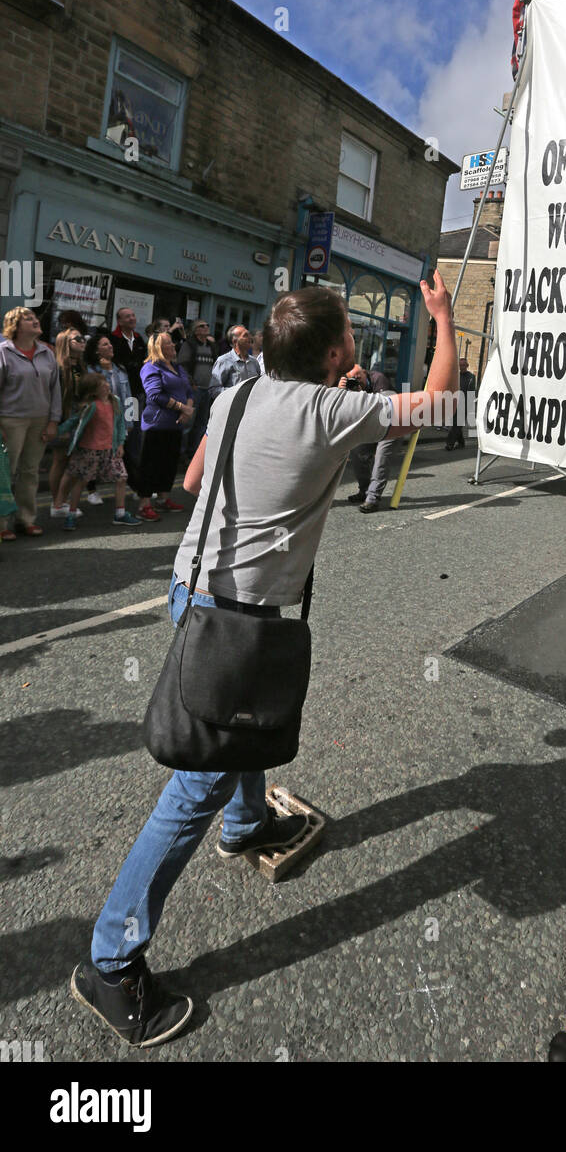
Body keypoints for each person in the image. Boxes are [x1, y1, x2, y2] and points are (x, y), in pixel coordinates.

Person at [70, 270, 458, 1047]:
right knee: (193, 787)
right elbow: (440, 403)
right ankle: (111, 964)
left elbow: (189, 478)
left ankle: (247, 826)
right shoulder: (331, 410)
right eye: (348, 334)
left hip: (191, 589)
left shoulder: (236, 394)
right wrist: (443, 321)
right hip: (235, 617)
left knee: (245, 723)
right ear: (337, 350)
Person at [0, 307, 60, 538]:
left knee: (30, 472)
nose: (35, 320)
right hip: (10, 420)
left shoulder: (47, 352)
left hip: (40, 420)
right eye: (28, 318)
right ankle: (2, 524)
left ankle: (26, 520)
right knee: (5, 473)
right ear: (15, 326)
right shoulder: (4, 352)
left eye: (35, 317)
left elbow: (55, 389)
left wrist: (53, 421)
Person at [57, 374, 141, 530]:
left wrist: (121, 444)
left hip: (110, 449)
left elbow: (120, 424)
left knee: (121, 478)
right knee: (80, 483)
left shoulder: (114, 401)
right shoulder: (91, 406)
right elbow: (73, 421)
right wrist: (56, 432)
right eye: (103, 385)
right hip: (89, 451)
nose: (107, 386)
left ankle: (120, 514)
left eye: (107, 383)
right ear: (93, 391)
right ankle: (71, 515)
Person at [136, 332, 194, 523]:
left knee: (168, 462)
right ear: (158, 347)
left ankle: (163, 498)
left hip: (175, 425)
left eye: (172, 343)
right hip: (157, 424)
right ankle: (144, 505)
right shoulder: (151, 367)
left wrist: (188, 408)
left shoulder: (176, 367)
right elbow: (154, 395)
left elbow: (188, 390)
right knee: (150, 464)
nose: (173, 346)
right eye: (169, 343)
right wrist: (181, 407)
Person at [341, 363, 400, 512]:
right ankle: (364, 491)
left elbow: (385, 406)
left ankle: (372, 498)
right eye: (352, 379)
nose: (356, 379)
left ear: (365, 372)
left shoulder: (379, 379)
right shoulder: (352, 389)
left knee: (381, 458)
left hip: (393, 421)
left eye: (358, 376)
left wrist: (361, 395)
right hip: (373, 423)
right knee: (357, 452)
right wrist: (343, 392)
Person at [47, 326, 88, 517]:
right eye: (77, 339)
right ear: (65, 343)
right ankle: (57, 503)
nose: (82, 341)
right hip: (64, 418)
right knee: (60, 459)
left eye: (83, 338)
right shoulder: (59, 367)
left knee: (74, 462)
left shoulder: (81, 365)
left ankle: (62, 501)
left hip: (80, 419)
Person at [111, 307, 147, 482]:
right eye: (127, 316)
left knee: (134, 436)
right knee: (121, 434)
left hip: (136, 396)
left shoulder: (140, 340)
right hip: (122, 396)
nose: (132, 319)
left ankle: (132, 478)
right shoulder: (113, 339)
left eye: (133, 315)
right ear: (120, 321)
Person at [177, 320, 216, 458]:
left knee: (201, 424)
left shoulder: (211, 346)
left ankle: (193, 454)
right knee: (188, 423)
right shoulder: (189, 345)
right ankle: (180, 454)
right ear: (195, 331)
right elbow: (182, 366)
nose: (206, 327)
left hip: (207, 390)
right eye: (202, 326)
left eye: (207, 325)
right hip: (194, 390)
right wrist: (190, 382)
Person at [209, 325, 259, 397]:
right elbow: (214, 389)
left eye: (249, 334)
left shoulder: (254, 362)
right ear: (235, 341)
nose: (250, 338)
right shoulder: (224, 361)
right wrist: (236, 393)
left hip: (251, 407)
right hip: (231, 406)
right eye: (245, 335)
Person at [445, 357, 476, 449]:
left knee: (457, 425)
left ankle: (449, 444)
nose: (461, 367)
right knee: (456, 424)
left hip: (464, 405)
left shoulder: (471, 377)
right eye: (460, 365)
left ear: (467, 366)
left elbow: (471, 392)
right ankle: (461, 443)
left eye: (463, 365)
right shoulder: (456, 376)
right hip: (454, 403)